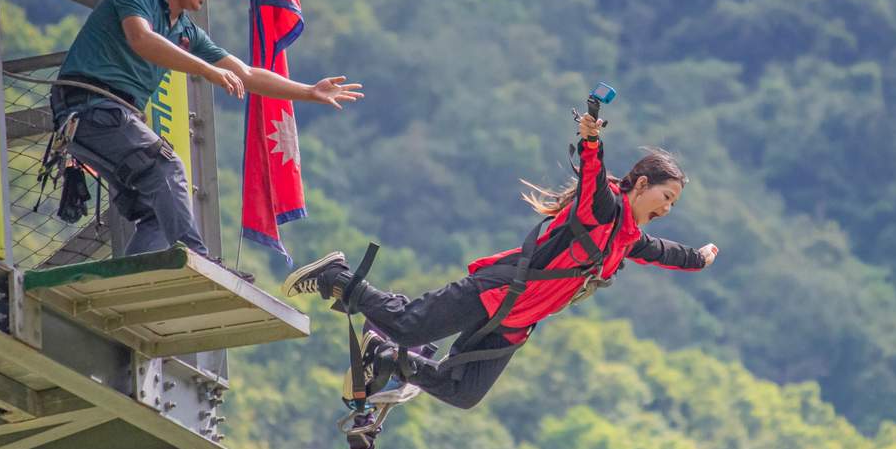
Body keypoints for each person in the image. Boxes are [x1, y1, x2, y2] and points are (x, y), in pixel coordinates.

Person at [281, 112, 719, 410]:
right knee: (409, 325)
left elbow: (667, 252)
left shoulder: (626, 240)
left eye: (673, 206)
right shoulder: (601, 208)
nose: (666, 209)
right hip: (497, 290)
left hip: (512, 325)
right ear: (640, 185)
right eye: (665, 198)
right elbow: (591, 172)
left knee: (464, 391)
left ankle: (389, 360)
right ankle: (337, 277)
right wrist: (591, 139)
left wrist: (699, 259)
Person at [49, 0, 362, 258]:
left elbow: (246, 73)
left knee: (158, 210)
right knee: (166, 167)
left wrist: (310, 91)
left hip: (110, 118)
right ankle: (197, 258)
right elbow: (141, 39)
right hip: (89, 106)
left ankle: (127, 279)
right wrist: (206, 69)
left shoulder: (185, 31)